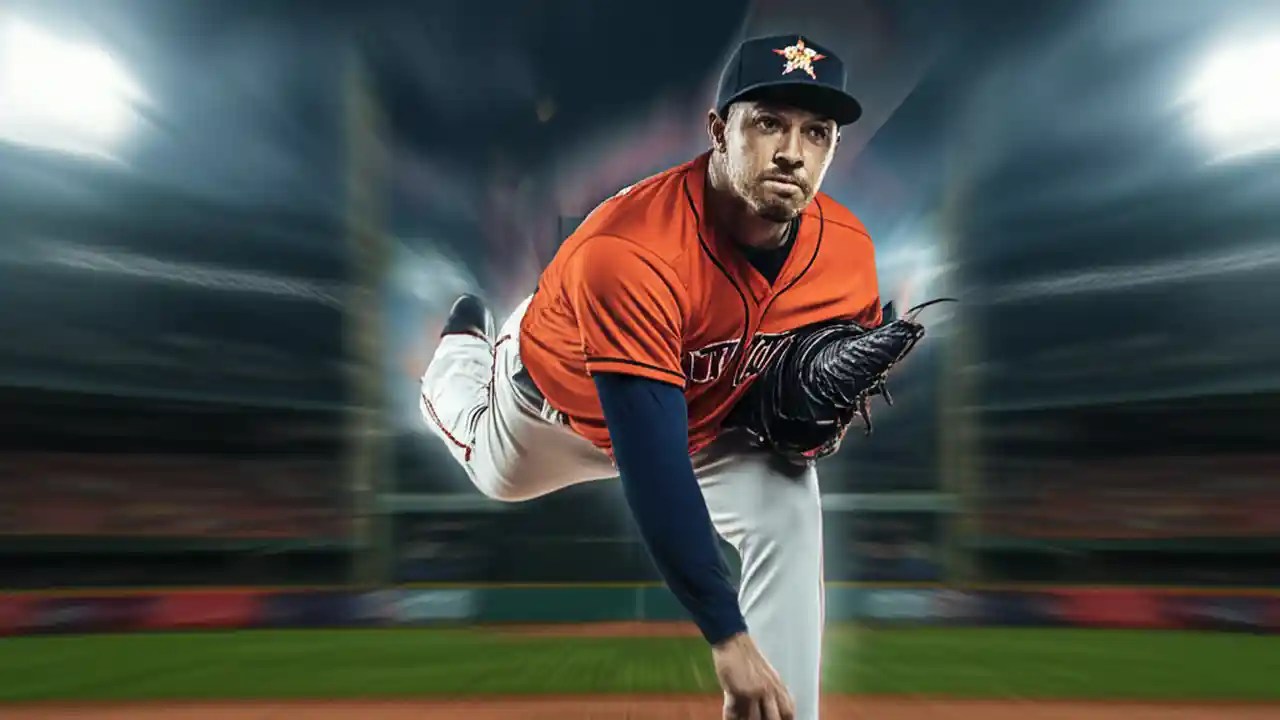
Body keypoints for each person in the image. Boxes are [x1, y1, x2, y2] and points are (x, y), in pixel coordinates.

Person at [419, 34, 881, 720]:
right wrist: (727, 635)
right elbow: (654, 468)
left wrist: (817, 430)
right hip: (552, 405)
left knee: (787, 502)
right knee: (493, 471)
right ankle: (463, 345)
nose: (793, 151)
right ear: (719, 131)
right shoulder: (632, 253)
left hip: (702, 416)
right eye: (768, 124)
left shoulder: (847, 255)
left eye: (817, 131)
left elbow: (826, 391)